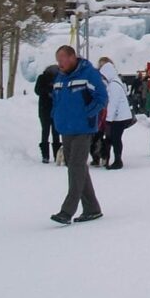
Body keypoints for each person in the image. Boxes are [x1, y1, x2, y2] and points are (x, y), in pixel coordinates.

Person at [49, 45, 107, 225]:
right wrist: (55, 115)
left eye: (63, 59)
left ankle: (67, 211)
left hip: (82, 128)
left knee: (75, 167)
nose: (60, 63)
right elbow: (56, 99)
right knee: (77, 168)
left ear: (73, 57)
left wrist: (87, 114)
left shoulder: (88, 74)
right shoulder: (60, 77)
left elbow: (102, 98)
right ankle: (92, 209)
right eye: (58, 60)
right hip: (65, 128)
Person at [99, 58, 135, 170]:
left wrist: (108, 119)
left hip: (118, 118)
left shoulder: (113, 85)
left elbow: (113, 104)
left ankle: (117, 161)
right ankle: (116, 159)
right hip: (122, 116)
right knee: (115, 138)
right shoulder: (116, 82)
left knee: (115, 139)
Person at [35, 65, 62, 163]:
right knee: (51, 132)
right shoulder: (44, 78)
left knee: (49, 131)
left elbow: (37, 90)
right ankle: (53, 155)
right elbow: (38, 90)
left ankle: (48, 155)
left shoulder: (58, 78)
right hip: (48, 108)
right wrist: (49, 90)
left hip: (47, 108)